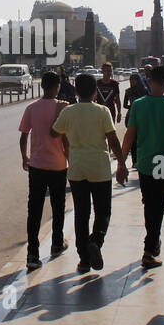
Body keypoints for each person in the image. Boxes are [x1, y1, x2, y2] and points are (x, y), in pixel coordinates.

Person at [51, 73, 126, 274]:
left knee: (81, 214)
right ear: (95, 92)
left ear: (76, 91)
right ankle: (96, 240)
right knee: (103, 211)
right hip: (99, 168)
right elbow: (113, 140)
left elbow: (54, 132)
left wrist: (59, 113)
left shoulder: (69, 112)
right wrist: (121, 164)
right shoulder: (102, 111)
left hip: (77, 169)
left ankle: (84, 259)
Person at [118, 66, 164, 269]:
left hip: (146, 161)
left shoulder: (138, 105)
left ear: (149, 82)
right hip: (163, 161)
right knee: (157, 205)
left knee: (152, 203)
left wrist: (122, 163)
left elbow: (129, 136)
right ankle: (150, 248)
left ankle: (152, 243)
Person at [18, 70, 71, 271]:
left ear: (42, 86)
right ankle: (57, 243)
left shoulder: (31, 108)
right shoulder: (63, 108)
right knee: (58, 207)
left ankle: (33, 253)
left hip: (37, 166)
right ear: (58, 87)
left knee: (35, 210)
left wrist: (25, 157)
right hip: (58, 165)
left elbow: (23, 136)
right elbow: (68, 138)